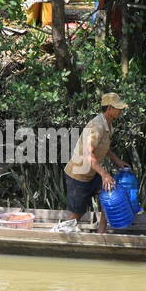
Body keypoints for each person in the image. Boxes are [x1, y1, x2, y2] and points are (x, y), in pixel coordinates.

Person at [59, 92, 131, 234]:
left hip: (92, 172)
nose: (121, 110)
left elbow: (104, 147)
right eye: (118, 108)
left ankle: (101, 234)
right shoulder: (97, 126)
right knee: (78, 213)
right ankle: (59, 234)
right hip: (78, 174)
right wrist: (104, 174)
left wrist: (117, 160)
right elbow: (87, 154)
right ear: (109, 108)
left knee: (108, 195)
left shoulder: (109, 125)